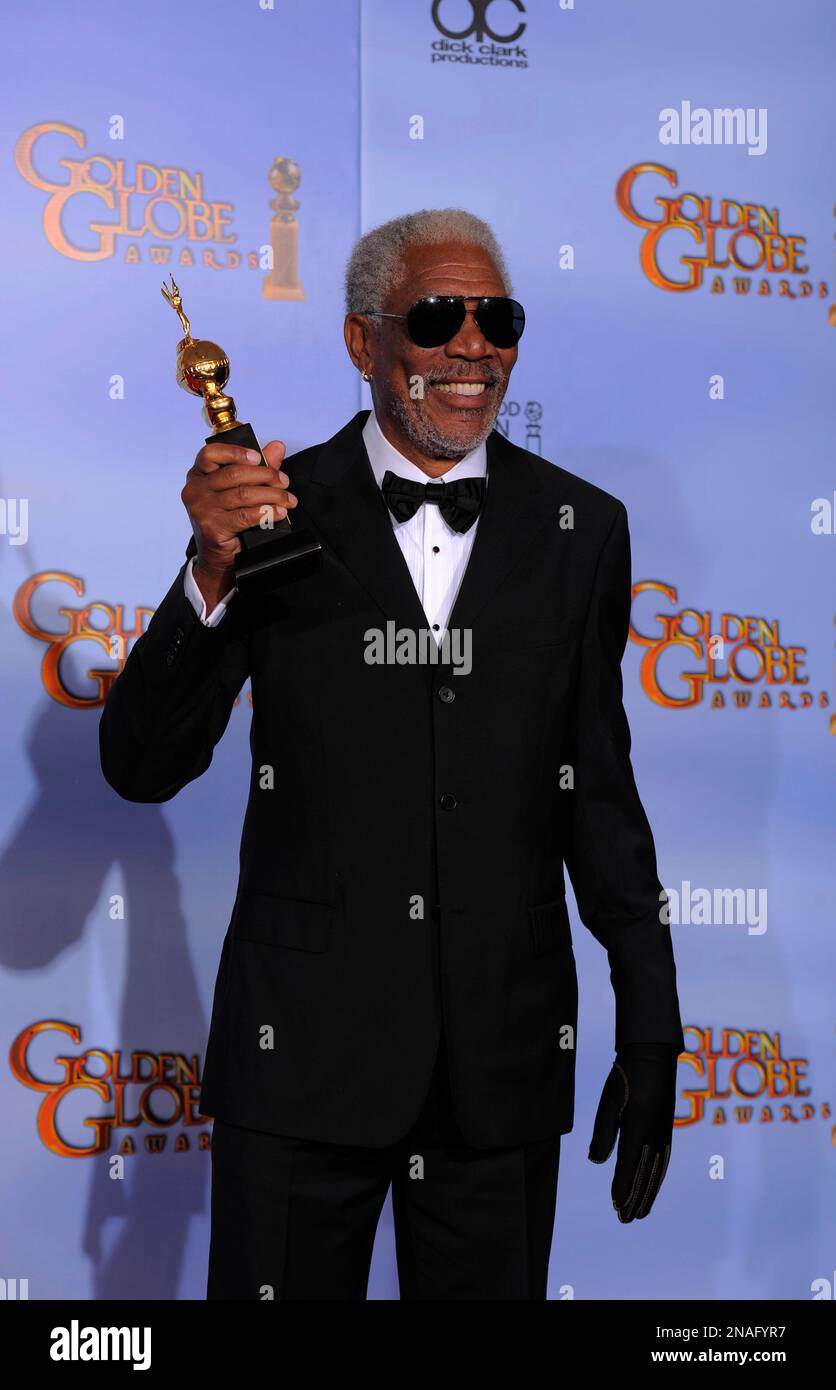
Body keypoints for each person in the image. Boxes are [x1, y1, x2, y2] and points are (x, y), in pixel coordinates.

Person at [99, 208, 684, 1301]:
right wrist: (212, 577)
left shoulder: (581, 530)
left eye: (496, 318)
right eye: (436, 317)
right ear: (363, 343)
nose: (473, 346)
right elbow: (140, 764)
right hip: (300, 1061)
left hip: (498, 1072)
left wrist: (650, 1020)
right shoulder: (272, 514)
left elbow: (597, 796)